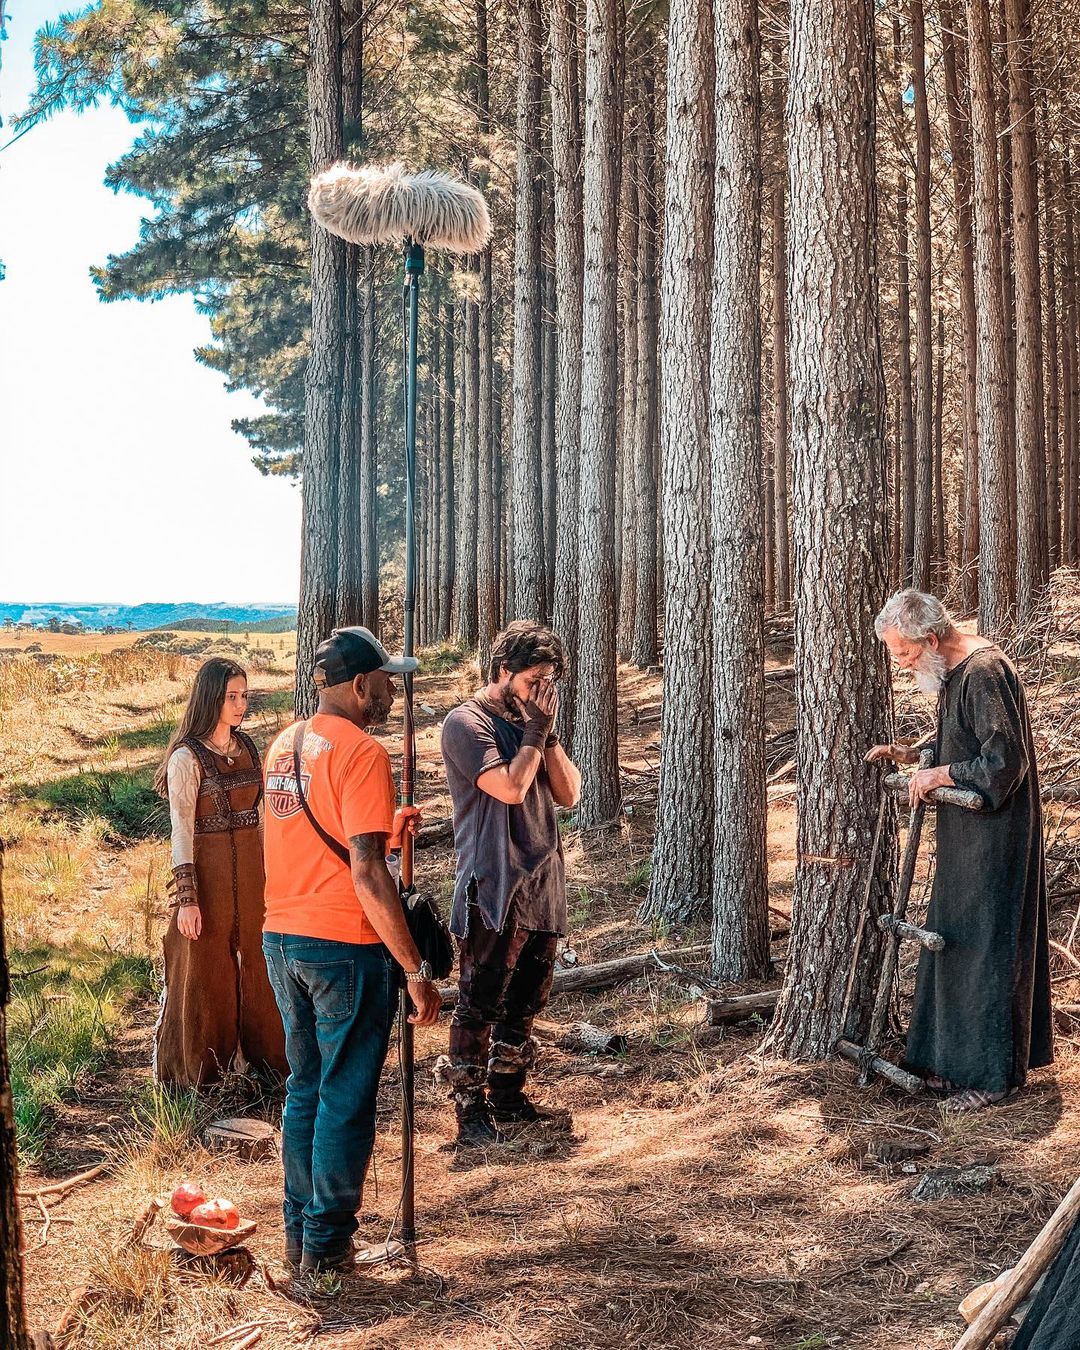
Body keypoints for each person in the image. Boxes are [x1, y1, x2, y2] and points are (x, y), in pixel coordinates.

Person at [261, 626, 441, 1275]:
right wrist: (415, 968)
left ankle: (299, 1235)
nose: (393, 689)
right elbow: (366, 875)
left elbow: (326, 846)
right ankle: (331, 1247)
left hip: (282, 938)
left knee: (306, 1087)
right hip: (345, 945)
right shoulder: (362, 752)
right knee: (345, 1096)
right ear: (361, 684)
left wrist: (390, 832)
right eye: (388, 678)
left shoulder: (285, 745)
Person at [867, 588, 1053, 1111]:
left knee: (988, 950)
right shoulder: (958, 671)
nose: (900, 663)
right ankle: (951, 1066)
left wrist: (941, 772)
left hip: (996, 842)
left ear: (929, 638)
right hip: (968, 840)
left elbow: (1002, 764)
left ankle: (992, 1079)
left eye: (902, 652)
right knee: (957, 945)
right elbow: (963, 739)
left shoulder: (983, 671)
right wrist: (913, 753)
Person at [439, 621, 582, 1147]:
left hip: (541, 880)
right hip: (493, 883)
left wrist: (547, 733)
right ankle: (469, 1112)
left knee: (526, 999)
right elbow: (510, 786)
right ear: (504, 673)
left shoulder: (536, 726)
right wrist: (534, 733)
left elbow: (569, 793)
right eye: (533, 680)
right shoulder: (465, 722)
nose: (542, 691)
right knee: (480, 999)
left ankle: (508, 1094)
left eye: (549, 681)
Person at [154, 657, 287, 1087]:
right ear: (210, 698)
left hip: (253, 876)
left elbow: (265, 821)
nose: (240, 704)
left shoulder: (248, 748)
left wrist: (276, 878)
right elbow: (180, 831)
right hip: (206, 878)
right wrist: (187, 900)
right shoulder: (185, 758)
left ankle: (266, 1068)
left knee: (260, 965)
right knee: (205, 970)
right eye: (231, 696)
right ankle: (198, 1074)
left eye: (244, 696)